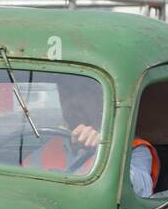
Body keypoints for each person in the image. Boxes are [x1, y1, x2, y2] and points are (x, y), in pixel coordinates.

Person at [26, 78, 159, 198]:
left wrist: (103, 150)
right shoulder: (46, 150)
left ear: (101, 98)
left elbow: (142, 190)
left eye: (85, 91)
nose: (74, 101)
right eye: (66, 92)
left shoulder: (133, 148)